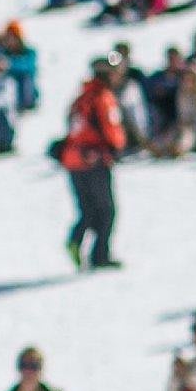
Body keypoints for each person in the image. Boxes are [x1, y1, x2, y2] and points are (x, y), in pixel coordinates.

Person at [59, 56, 125, 269]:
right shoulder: (103, 98)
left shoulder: (82, 97)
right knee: (106, 210)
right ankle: (100, 255)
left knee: (87, 210)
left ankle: (76, 240)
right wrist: (116, 148)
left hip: (72, 160)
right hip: (94, 160)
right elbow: (111, 128)